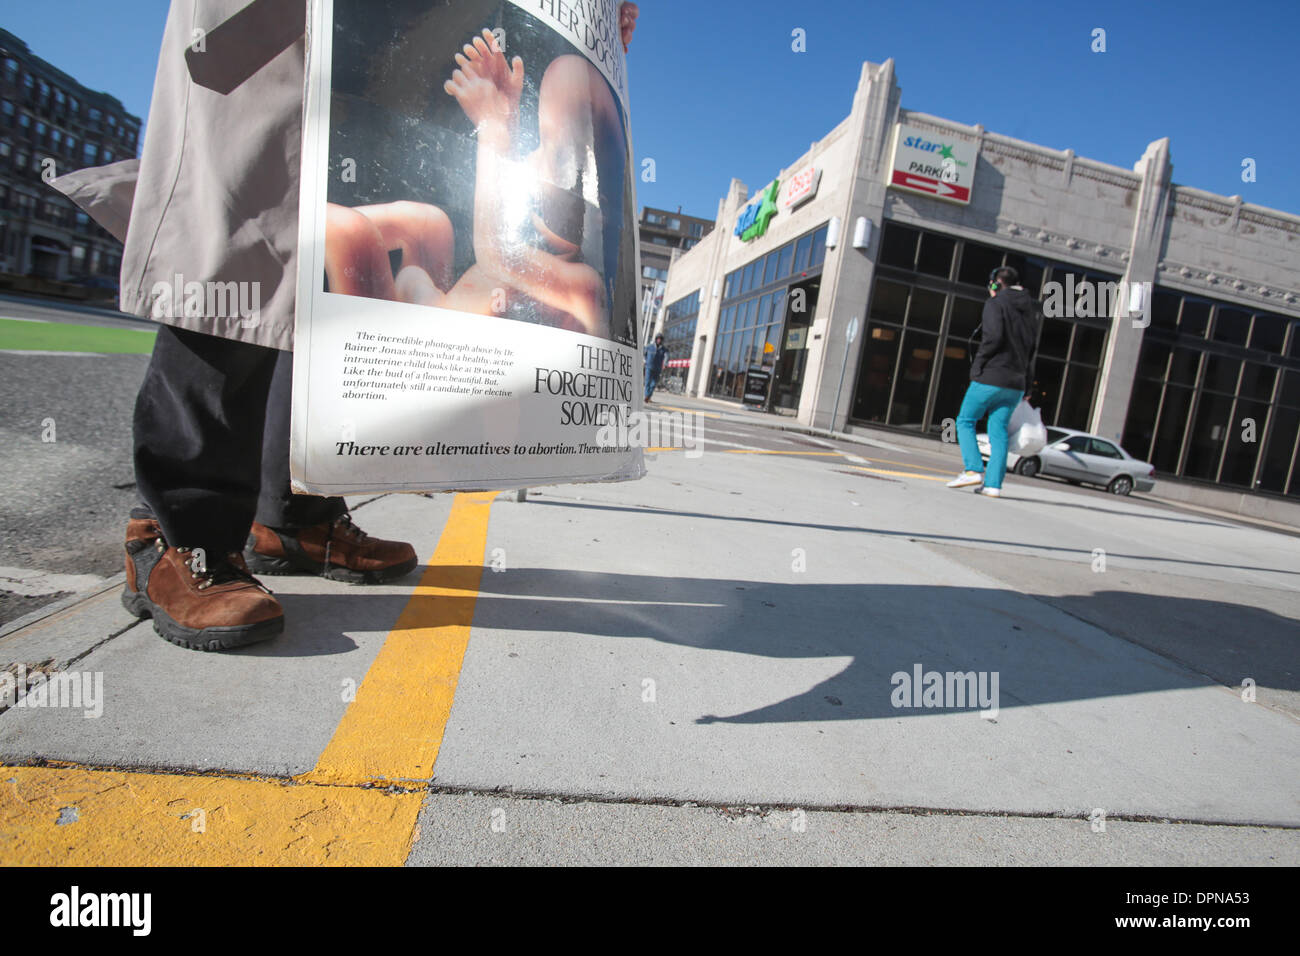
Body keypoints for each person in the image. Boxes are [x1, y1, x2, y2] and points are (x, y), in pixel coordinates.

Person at [52, 0, 640, 652]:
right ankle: (177, 530)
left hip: (428, 334)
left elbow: (502, 249)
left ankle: (292, 513)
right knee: (248, 214)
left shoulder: (579, 277)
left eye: (566, 153)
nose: (547, 167)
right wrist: (500, 128)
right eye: (543, 143)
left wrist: (590, 35)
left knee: (305, 255)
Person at [947, 266, 1040, 498]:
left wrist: (977, 367)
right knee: (998, 431)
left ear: (996, 284)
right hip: (1016, 384)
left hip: (992, 376)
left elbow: (992, 337)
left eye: (991, 284)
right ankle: (993, 485)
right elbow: (1031, 351)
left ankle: (972, 469)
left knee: (965, 421)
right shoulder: (1029, 311)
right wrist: (1027, 385)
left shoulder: (995, 304)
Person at [644, 333, 668, 403]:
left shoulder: (664, 349)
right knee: (647, 382)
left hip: (658, 369)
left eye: (660, 339)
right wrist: (645, 360)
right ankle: (647, 396)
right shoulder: (649, 347)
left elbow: (667, 357)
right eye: (658, 339)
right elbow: (644, 354)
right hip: (649, 367)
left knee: (653, 384)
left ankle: (648, 396)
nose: (659, 340)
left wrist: (665, 364)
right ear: (656, 339)